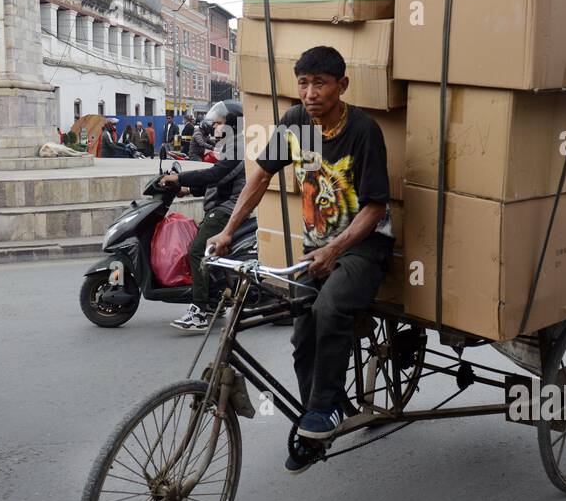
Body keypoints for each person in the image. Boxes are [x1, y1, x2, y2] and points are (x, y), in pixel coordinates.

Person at [207, 46, 394, 474]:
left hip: (363, 247)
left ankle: (323, 409)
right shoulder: (300, 126)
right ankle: (318, 419)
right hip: (316, 250)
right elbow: (260, 177)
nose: (310, 93)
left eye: (320, 83)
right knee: (302, 328)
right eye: (304, 83)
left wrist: (336, 248)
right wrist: (228, 230)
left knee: (330, 308)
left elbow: (375, 207)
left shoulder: (362, 131)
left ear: (342, 86)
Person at [161, 101, 246, 333]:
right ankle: (217, 300)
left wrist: (180, 179)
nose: (215, 127)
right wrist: (188, 190)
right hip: (221, 205)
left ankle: (199, 311)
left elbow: (217, 174)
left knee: (198, 250)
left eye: (219, 123)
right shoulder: (230, 145)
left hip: (227, 209)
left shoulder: (238, 146)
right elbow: (218, 181)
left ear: (232, 124)